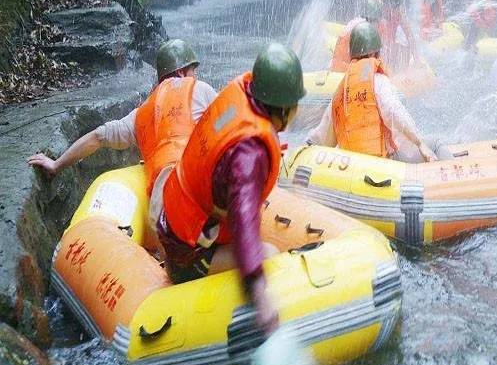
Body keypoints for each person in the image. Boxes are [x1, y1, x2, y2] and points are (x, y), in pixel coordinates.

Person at [157, 43, 305, 335]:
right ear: (284, 107)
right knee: (271, 254)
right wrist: (259, 291)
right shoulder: (250, 154)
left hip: (171, 228)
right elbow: (243, 217)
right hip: (186, 255)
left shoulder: (242, 96)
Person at [28, 40, 216, 230]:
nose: (195, 76)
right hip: (199, 193)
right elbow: (229, 128)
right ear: (181, 73)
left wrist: (56, 165)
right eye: (193, 71)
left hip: (164, 209)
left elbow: (98, 137)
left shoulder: (140, 114)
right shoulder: (200, 89)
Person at [308, 23, 440, 163]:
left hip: (352, 164)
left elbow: (324, 136)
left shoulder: (342, 89)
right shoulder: (379, 81)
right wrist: (419, 143)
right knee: (435, 144)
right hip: (380, 161)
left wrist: (308, 146)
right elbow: (394, 112)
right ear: (374, 53)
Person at [330, 0, 381, 72]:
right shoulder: (364, 30)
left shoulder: (358, 23)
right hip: (342, 68)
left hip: (340, 65)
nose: (378, 23)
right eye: (377, 20)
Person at [379, 0, 421, 70]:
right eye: (390, 7)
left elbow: (410, 36)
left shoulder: (399, 12)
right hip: (381, 42)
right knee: (385, 46)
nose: (392, 10)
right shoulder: (377, 11)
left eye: (395, 7)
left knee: (403, 41)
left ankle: (403, 70)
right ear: (384, 3)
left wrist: (417, 60)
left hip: (391, 40)